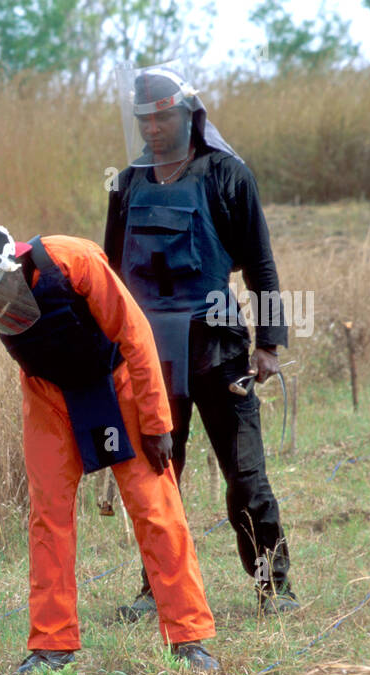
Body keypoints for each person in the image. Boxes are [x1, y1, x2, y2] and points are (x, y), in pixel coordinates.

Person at [0, 223, 219, 673]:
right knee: (48, 516)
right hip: (48, 398)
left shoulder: (75, 262)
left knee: (155, 507)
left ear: (13, 268)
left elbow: (136, 335)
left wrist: (156, 423)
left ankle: (188, 637)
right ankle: (53, 645)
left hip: (118, 384)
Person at [105, 64, 299, 621]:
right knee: (157, 479)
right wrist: (108, 348)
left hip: (217, 350)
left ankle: (273, 587)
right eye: (144, 118)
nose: (153, 127)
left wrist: (269, 345)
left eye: (162, 116)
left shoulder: (227, 175)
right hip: (149, 358)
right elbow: (110, 274)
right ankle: (155, 591)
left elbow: (260, 264)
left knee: (246, 478)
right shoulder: (127, 182)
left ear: (188, 114)